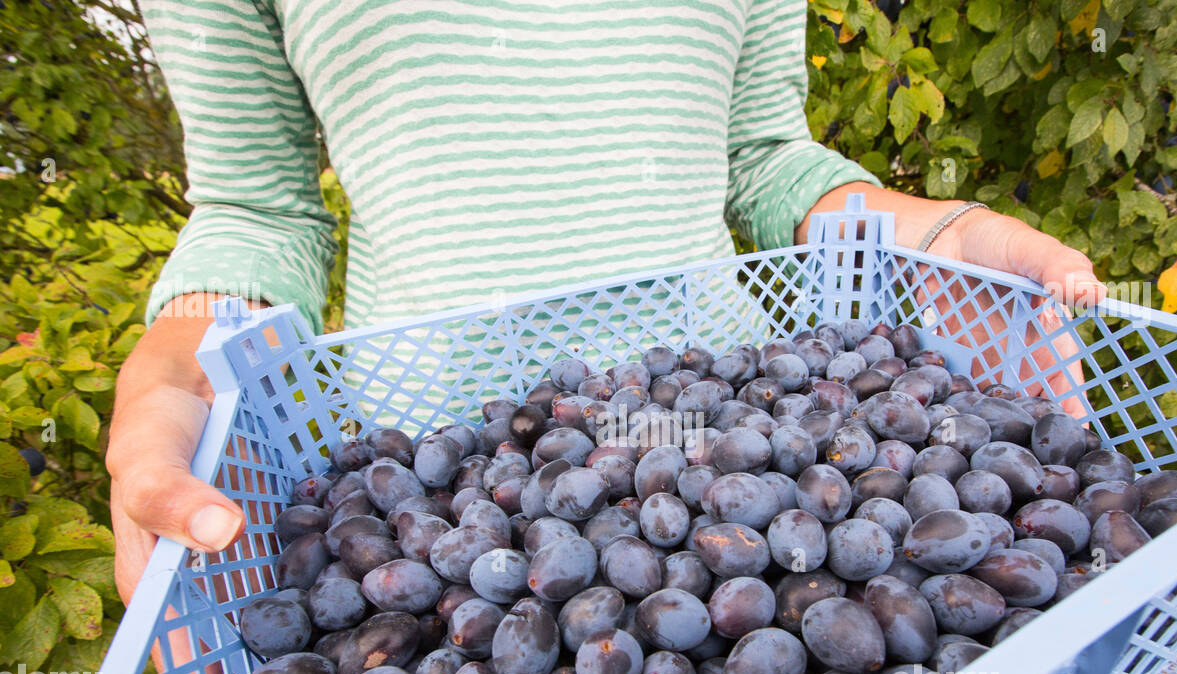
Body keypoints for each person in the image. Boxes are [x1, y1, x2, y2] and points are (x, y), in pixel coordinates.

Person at [111, 0, 1107, 612]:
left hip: (728, 425)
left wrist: (930, 231)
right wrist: (174, 370)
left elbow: (765, 158)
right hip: (437, 466)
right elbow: (257, 203)